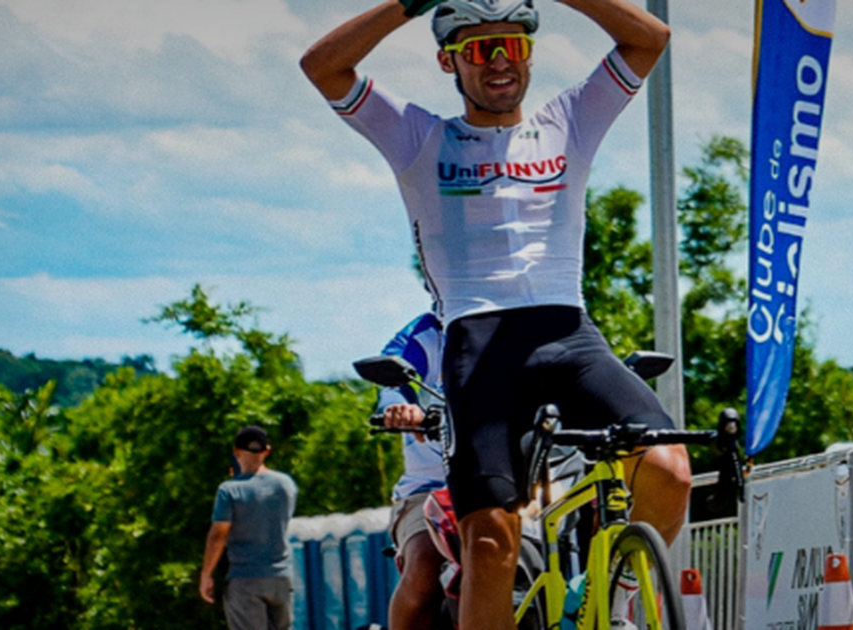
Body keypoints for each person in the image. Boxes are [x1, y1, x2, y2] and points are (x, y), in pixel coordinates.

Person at [301, 2, 689, 629]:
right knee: (489, 543)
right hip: (479, 347)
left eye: (511, 43)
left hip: (567, 333)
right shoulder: (419, 138)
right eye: (480, 49)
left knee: (669, 467)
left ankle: (612, 590)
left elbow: (650, 39)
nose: (500, 59)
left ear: (529, 52)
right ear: (449, 61)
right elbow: (323, 66)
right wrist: (412, 3)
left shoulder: (569, 120)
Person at [375, 311, 449, 630]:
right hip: (433, 491)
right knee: (424, 563)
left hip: (526, 484)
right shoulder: (427, 333)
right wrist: (400, 406)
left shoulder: (528, 323)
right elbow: (393, 378)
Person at [200, 426, 299, 630]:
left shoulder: (229, 490)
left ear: (236, 452)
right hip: (281, 577)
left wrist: (206, 574)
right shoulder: (285, 484)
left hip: (245, 578)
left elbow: (219, 534)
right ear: (267, 451)